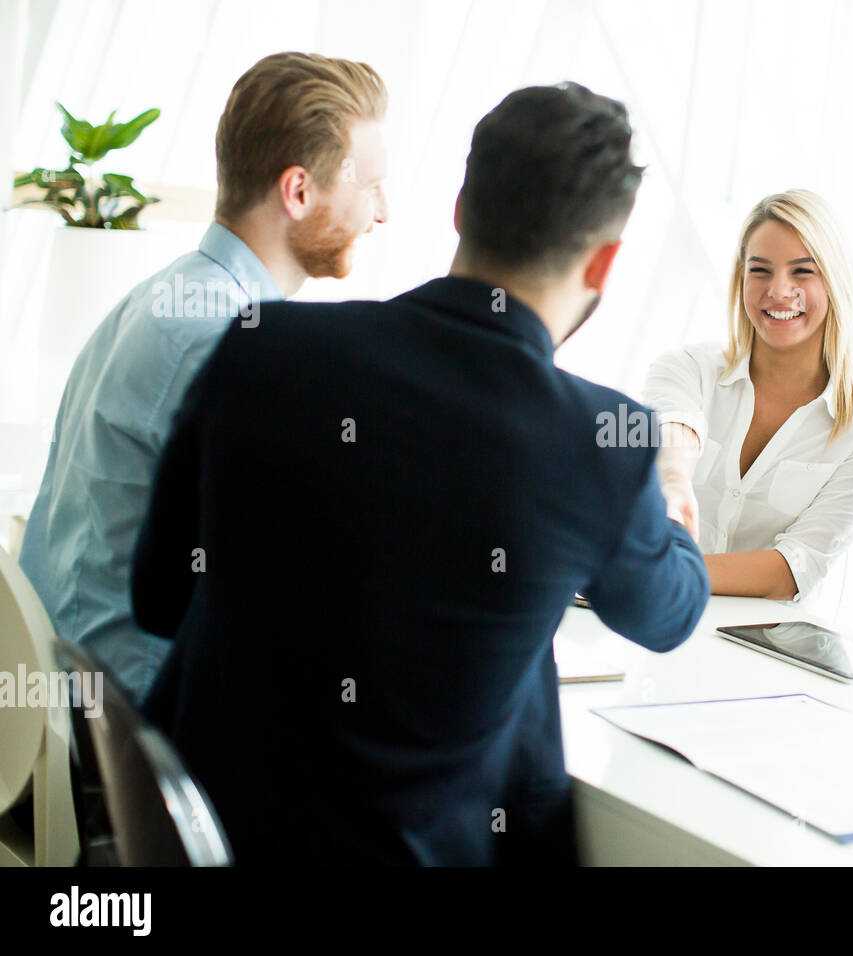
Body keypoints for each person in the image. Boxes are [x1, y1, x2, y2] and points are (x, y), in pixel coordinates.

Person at [132, 82, 710, 866]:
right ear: (605, 261)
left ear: (461, 208)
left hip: (193, 837)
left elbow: (160, 598)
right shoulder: (600, 441)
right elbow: (668, 615)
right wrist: (671, 500)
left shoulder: (262, 344)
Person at [20, 52, 389, 702]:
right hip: (134, 729)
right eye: (371, 185)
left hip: (82, 692)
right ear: (299, 191)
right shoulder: (222, 336)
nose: (382, 211)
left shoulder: (170, 296)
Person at [644, 189, 853, 611]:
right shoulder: (687, 367)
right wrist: (674, 481)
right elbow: (674, 424)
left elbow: (792, 570)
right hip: (657, 621)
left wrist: (661, 572)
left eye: (802, 272)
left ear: (835, 281)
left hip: (766, 651)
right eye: (760, 271)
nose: (779, 291)